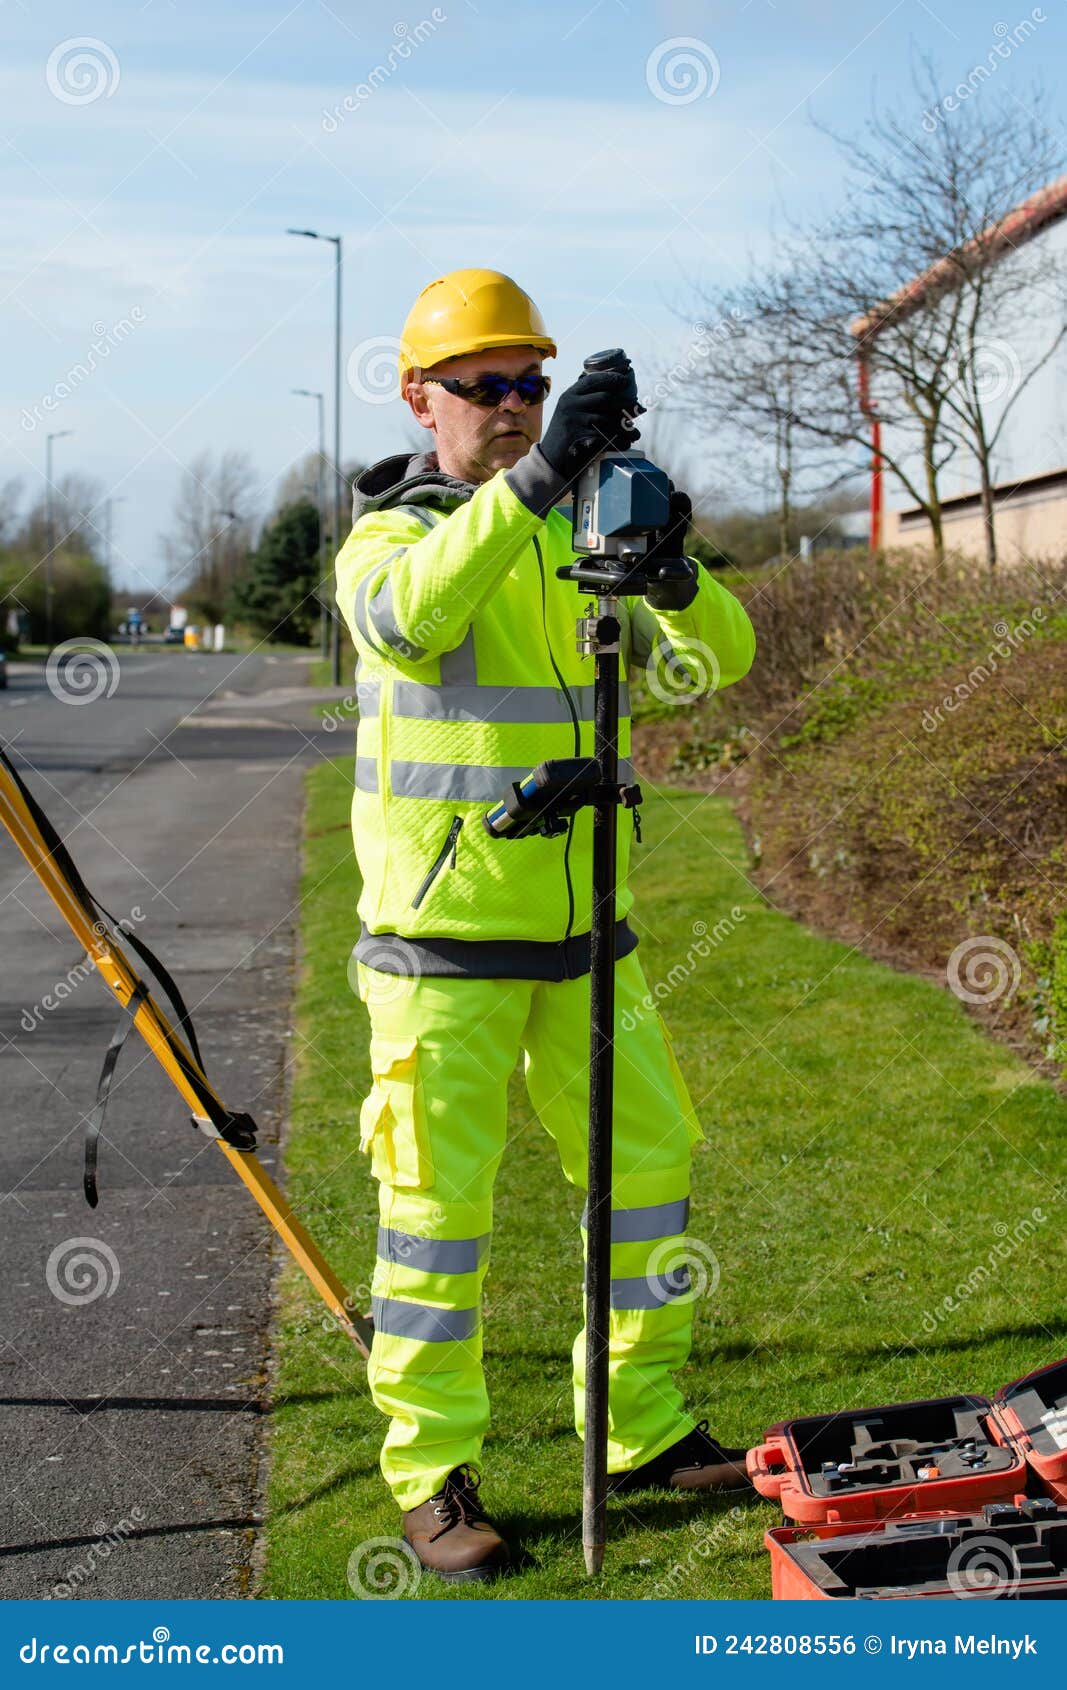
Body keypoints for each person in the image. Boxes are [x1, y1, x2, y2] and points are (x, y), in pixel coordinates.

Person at [335, 269, 757, 1582]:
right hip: (441, 948)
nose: (516, 409)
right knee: (437, 1219)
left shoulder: (579, 537)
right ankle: (432, 1475)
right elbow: (418, 621)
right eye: (488, 386)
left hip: (587, 943)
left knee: (649, 1179)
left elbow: (718, 663)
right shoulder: (389, 543)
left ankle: (641, 1426)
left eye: (534, 386)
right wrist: (541, 478)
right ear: (421, 397)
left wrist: (675, 575)